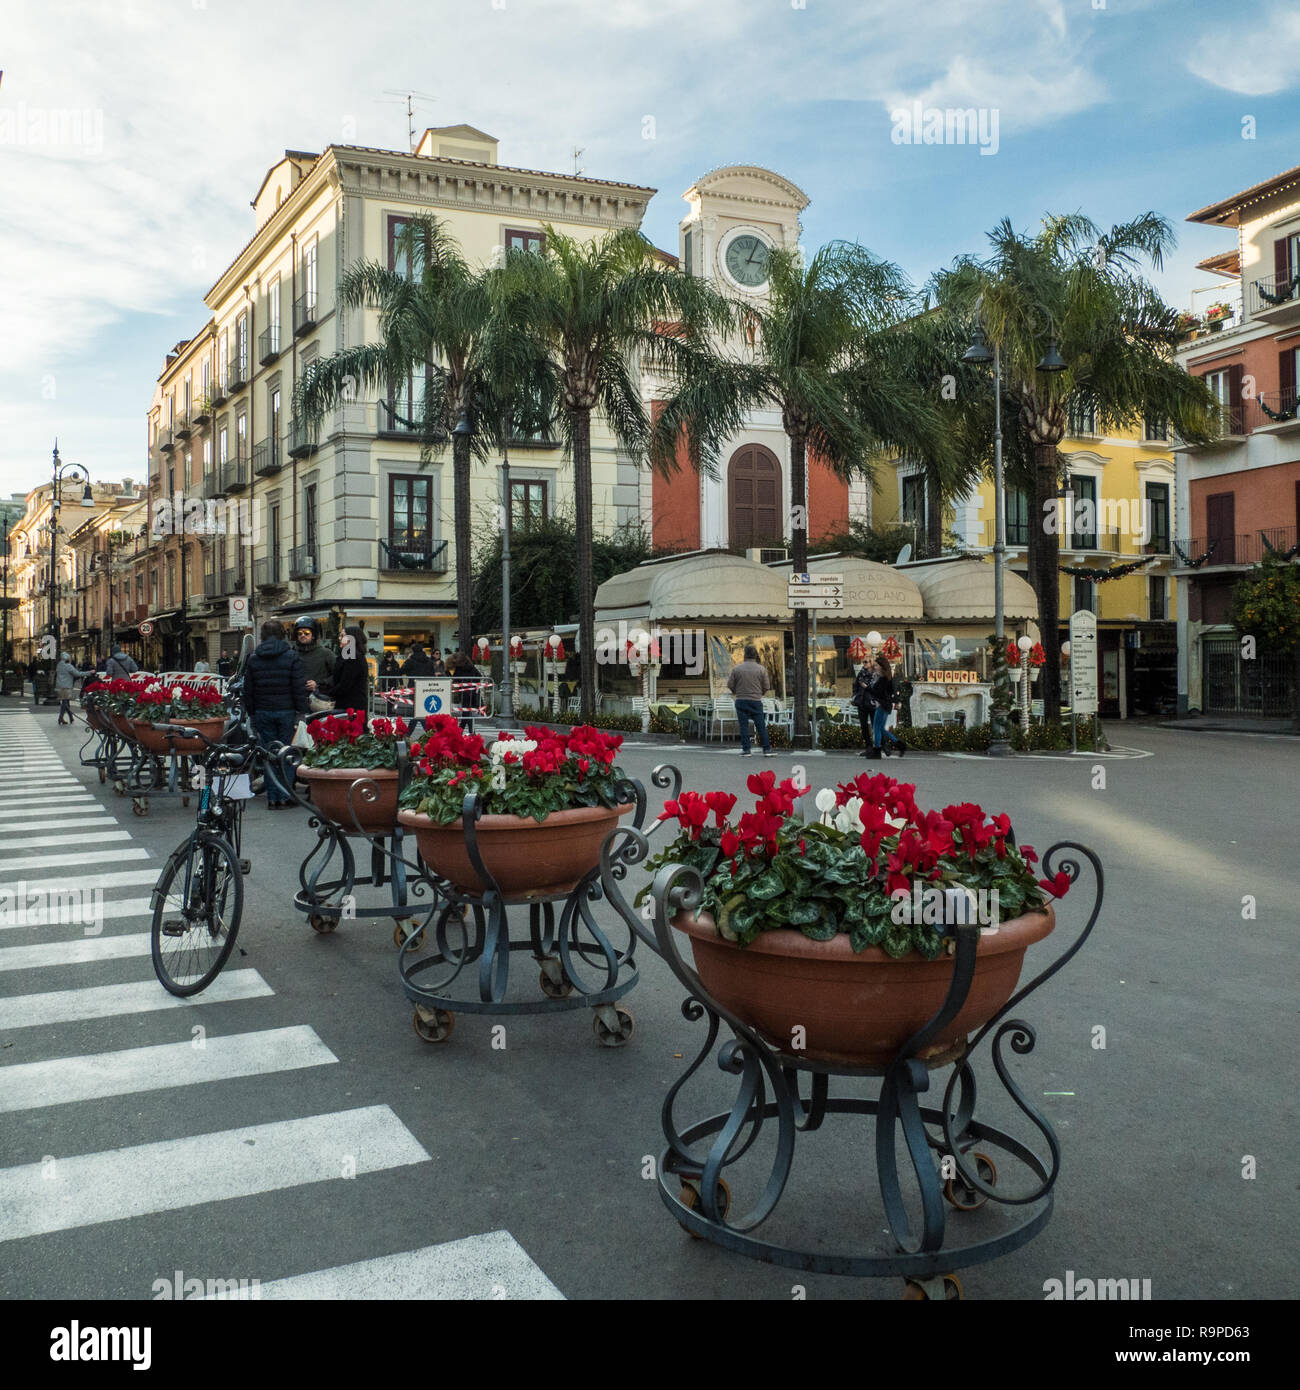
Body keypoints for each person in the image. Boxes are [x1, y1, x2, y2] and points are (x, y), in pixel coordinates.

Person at [242, 619, 311, 808]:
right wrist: (301, 712)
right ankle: (286, 795)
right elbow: (298, 687)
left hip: (263, 711)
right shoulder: (291, 656)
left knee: (269, 755)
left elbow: (248, 690)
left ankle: (273, 798)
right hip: (286, 711)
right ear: (282, 634)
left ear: (263, 636)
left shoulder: (254, 657)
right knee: (287, 754)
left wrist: (252, 713)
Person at [726, 645, 774, 757]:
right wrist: (759, 694)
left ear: (745, 655)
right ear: (755, 655)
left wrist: (736, 692)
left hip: (741, 700)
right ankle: (766, 749)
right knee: (761, 725)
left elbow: (730, 685)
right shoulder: (762, 669)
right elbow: (767, 686)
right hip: (756, 701)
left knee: (743, 726)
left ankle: (746, 749)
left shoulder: (737, 669)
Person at [293, 618, 336, 711]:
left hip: (319, 703)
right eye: (300, 633)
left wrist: (319, 684)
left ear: (313, 635)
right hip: (297, 703)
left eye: (306, 632)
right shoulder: (293, 654)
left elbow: (338, 675)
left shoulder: (326, 653)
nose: (303, 635)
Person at [868, 656, 905, 758]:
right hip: (885, 705)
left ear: (881, 666)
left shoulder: (883, 679)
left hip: (882, 705)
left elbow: (878, 693)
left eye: (876, 665)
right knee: (881, 729)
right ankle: (900, 745)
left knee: (876, 728)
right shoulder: (886, 677)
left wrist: (867, 687)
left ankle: (877, 751)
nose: (875, 667)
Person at [332, 625, 370, 714]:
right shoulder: (348, 655)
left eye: (342, 636)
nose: (339, 638)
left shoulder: (354, 657)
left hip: (351, 708)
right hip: (348, 706)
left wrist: (326, 692)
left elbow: (344, 684)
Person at [54, 652, 92, 726]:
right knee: (65, 703)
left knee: (65, 702)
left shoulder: (59, 665)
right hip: (66, 686)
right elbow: (78, 673)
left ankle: (69, 717)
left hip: (59, 686)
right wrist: (89, 672)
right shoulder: (68, 666)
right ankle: (62, 717)